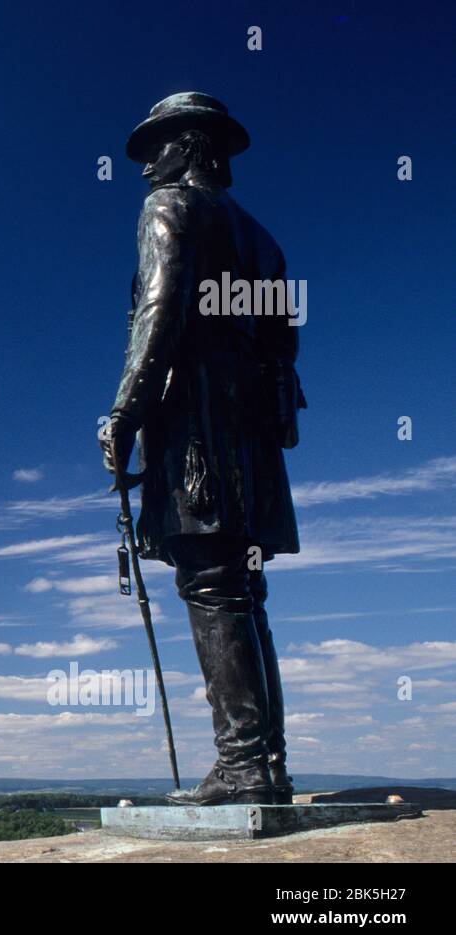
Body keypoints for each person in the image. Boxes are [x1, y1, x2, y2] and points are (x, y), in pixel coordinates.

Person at [100, 93, 306, 806]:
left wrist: (125, 411)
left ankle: (245, 765)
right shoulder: (264, 239)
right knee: (243, 591)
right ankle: (266, 766)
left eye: (155, 148)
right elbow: (284, 348)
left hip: (196, 426)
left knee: (214, 588)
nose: (147, 166)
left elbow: (159, 311)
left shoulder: (169, 209)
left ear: (189, 146)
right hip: (248, 433)